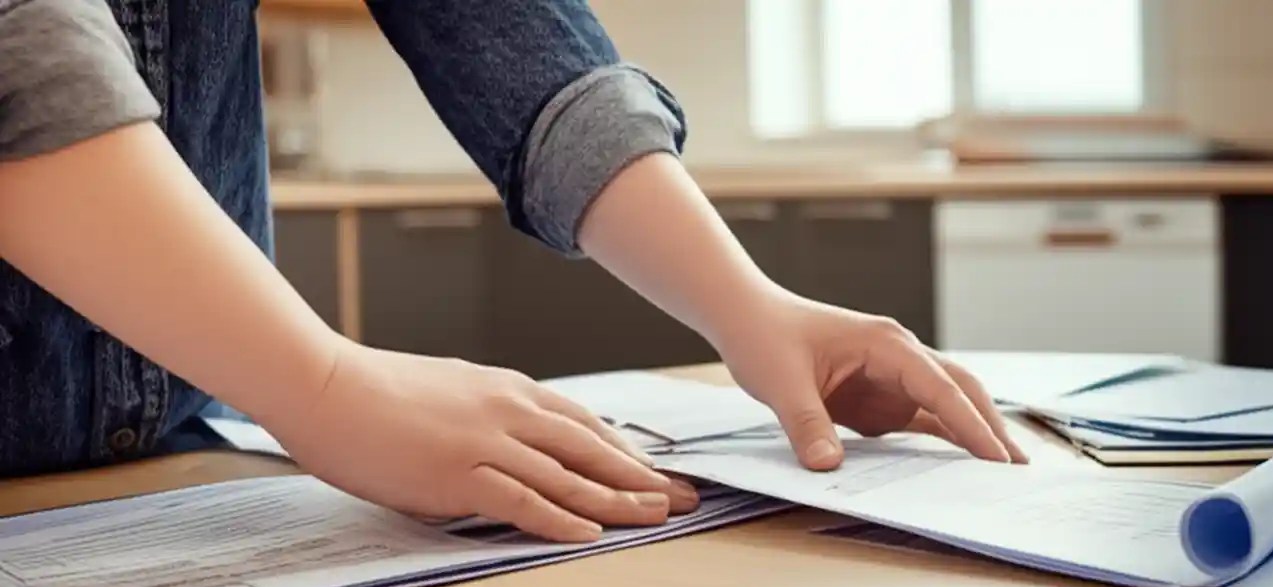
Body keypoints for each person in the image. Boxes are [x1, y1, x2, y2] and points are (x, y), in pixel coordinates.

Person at [0, 0, 1024, 543]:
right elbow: (24, 58)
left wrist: (747, 305)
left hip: (175, 474)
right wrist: (317, 384)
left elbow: (519, 44)